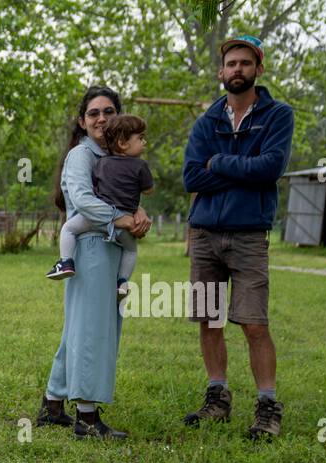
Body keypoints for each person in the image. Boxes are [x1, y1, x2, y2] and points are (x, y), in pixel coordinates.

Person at [181, 34, 294, 439]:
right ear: (221, 71)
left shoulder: (277, 116)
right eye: (231, 64)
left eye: (245, 63)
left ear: (258, 69)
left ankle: (267, 406)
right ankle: (217, 397)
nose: (237, 70)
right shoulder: (207, 121)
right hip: (206, 234)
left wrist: (220, 162)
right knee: (209, 320)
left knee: (253, 323)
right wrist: (239, 168)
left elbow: (270, 168)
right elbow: (192, 176)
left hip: (248, 236)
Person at [37, 86, 151, 439]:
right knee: (93, 333)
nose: (101, 118)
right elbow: (84, 201)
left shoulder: (118, 159)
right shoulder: (81, 156)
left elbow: (127, 196)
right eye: (93, 113)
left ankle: (53, 404)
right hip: (90, 249)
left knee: (79, 329)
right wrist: (123, 218)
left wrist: (138, 214)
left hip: (110, 248)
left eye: (109, 111)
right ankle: (86, 418)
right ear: (82, 122)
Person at [47, 113, 154, 300]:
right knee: (130, 250)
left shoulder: (102, 162)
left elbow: (94, 188)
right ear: (123, 143)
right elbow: (148, 190)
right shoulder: (141, 166)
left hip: (97, 219)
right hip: (125, 222)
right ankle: (122, 282)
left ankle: (65, 262)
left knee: (69, 228)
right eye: (140, 138)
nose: (144, 142)